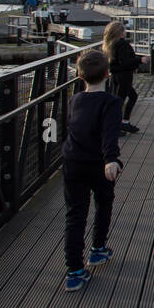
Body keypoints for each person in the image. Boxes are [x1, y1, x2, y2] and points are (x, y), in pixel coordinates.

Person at [61, 48, 123, 291]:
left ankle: (74, 270)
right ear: (108, 74)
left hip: (73, 162)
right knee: (104, 202)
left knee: (75, 215)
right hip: (98, 163)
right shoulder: (111, 102)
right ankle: (97, 248)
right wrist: (111, 159)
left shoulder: (74, 100)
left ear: (79, 75)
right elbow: (109, 132)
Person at [101, 21, 141, 134]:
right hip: (124, 76)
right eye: (123, 30)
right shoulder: (122, 44)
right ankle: (119, 125)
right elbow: (125, 62)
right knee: (120, 100)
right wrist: (139, 60)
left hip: (116, 75)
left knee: (128, 97)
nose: (125, 32)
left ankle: (123, 122)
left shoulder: (109, 45)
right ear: (119, 32)